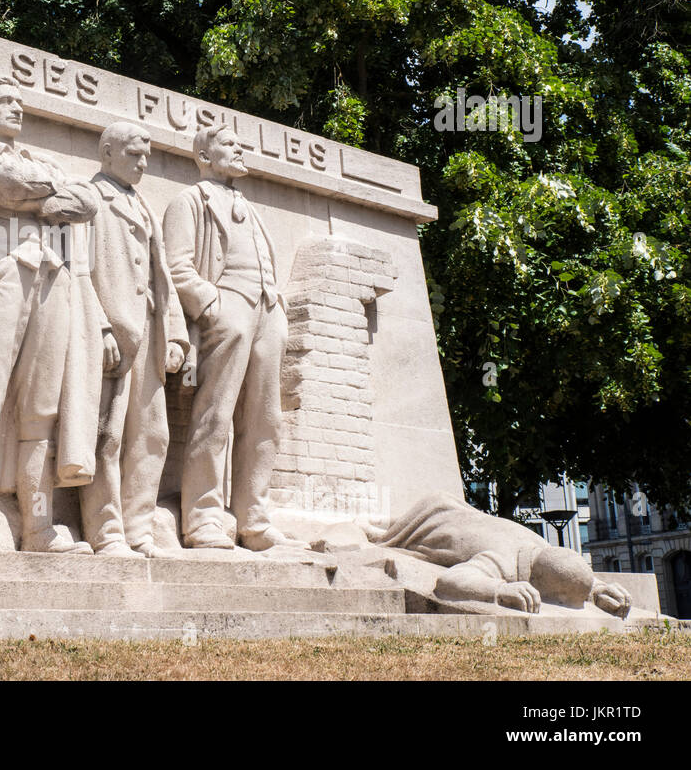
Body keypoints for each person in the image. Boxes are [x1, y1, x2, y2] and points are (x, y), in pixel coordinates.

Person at [0, 76, 104, 553]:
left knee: (42, 408)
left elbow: (89, 200)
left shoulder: (39, 160)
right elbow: (2, 186)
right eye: (4, 101)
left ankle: (38, 526)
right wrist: (53, 195)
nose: (17, 108)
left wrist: (48, 194)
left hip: (50, 279)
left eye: (20, 100)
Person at [162, 122, 304, 551]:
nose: (239, 150)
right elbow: (177, 265)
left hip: (266, 314)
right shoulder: (189, 200)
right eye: (229, 144)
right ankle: (203, 517)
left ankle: (254, 518)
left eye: (239, 144)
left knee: (266, 419)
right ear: (205, 156)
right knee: (215, 415)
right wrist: (212, 305)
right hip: (228, 312)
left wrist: (274, 305)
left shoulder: (249, 204)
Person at [78, 122, 190, 557]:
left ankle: (139, 527)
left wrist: (176, 333)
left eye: (147, 156)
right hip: (111, 332)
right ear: (107, 152)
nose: (143, 164)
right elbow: (75, 269)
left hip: (149, 333)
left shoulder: (143, 204)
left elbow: (162, 279)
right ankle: (106, 532)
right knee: (106, 435)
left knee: (152, 434)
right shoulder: (91, 198)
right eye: (134, 155)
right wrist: (100, 325)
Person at [369, 491, 633, 616]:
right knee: (370, 531)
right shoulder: (503, 561)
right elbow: (451, 582)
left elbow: (559, 566)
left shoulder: (538, 546)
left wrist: (596, 588)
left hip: (449, 509)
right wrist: (498, 590)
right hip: (419, 524)